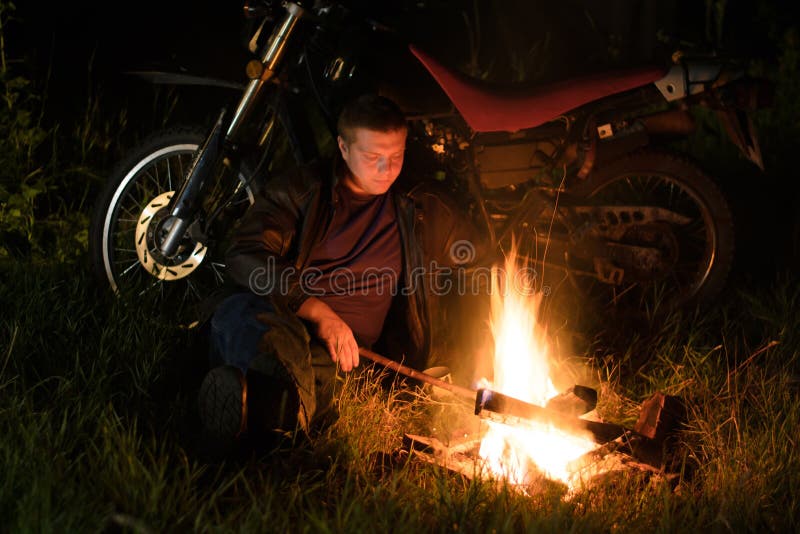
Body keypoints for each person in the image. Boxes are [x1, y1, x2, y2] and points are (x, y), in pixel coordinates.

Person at [197, 93, 484, 445]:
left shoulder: (421, 207)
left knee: (316, 373)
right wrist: (318, 312)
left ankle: (251, 408)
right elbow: (244, 254)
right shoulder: (304, 190)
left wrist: (486, 339)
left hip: (342, 355)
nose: (386, 169)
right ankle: (268, 412)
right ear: (343, 148)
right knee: (258, 327)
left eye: (396, 156)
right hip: (281, 313)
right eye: (372, 157)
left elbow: (485, 262)